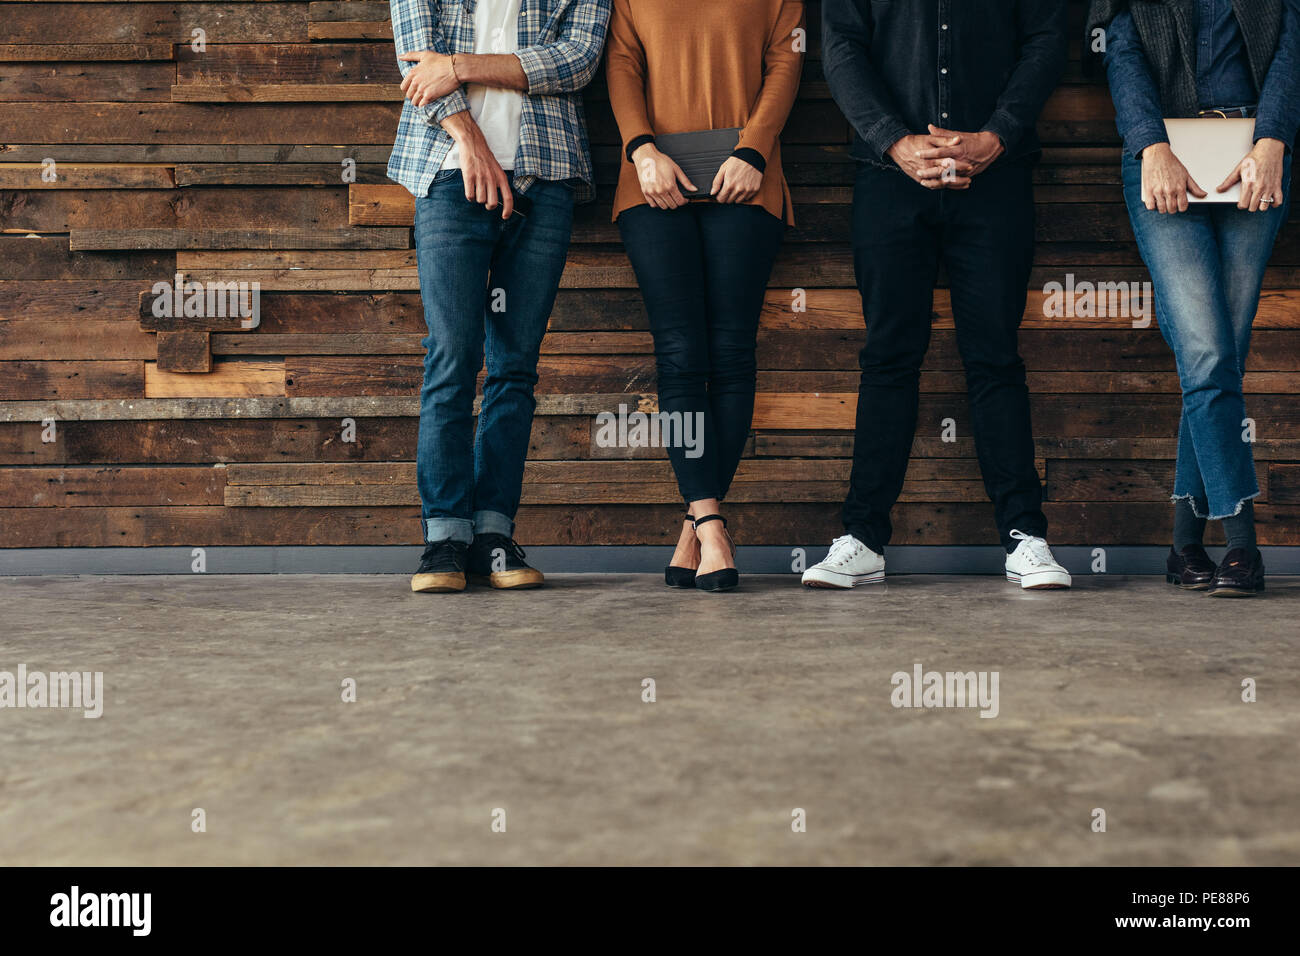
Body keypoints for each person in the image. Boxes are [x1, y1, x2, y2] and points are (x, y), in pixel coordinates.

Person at [806, 0, 1073, 589]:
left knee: (996, 358)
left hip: (996, 181)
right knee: (888, 357)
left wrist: (998, 134)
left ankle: (1026, 539)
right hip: (888, 182)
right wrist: (893, 141)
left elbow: (1047, 39)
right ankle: (863, 539)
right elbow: (843, 46)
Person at [388, 0, 611, 593]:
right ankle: (444, 538)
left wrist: (458, 66)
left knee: (514, 366)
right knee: (453, 357)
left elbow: (579, 60)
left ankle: (492, 534)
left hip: (546, 175)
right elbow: (415, 58)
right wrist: (470, 139)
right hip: (446, 173)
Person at [1087, 0, 1299, 597]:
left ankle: (1184, 548)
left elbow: (1292, 45)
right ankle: (1242, 546)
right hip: (1163, 156)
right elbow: (1120, 49)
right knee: (1209, 354)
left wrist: (1274, 139)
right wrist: (1150, 146)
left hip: (1256, 155)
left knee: (1215, 359)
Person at [606, 0, 804, 592]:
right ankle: (712, 523)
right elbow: (620, 65)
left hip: (745, 177)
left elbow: (786, 63)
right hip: (650, 180)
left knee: (732, 353)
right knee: (680, 356)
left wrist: (753, 151)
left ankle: (698, 521)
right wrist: (642, 151)